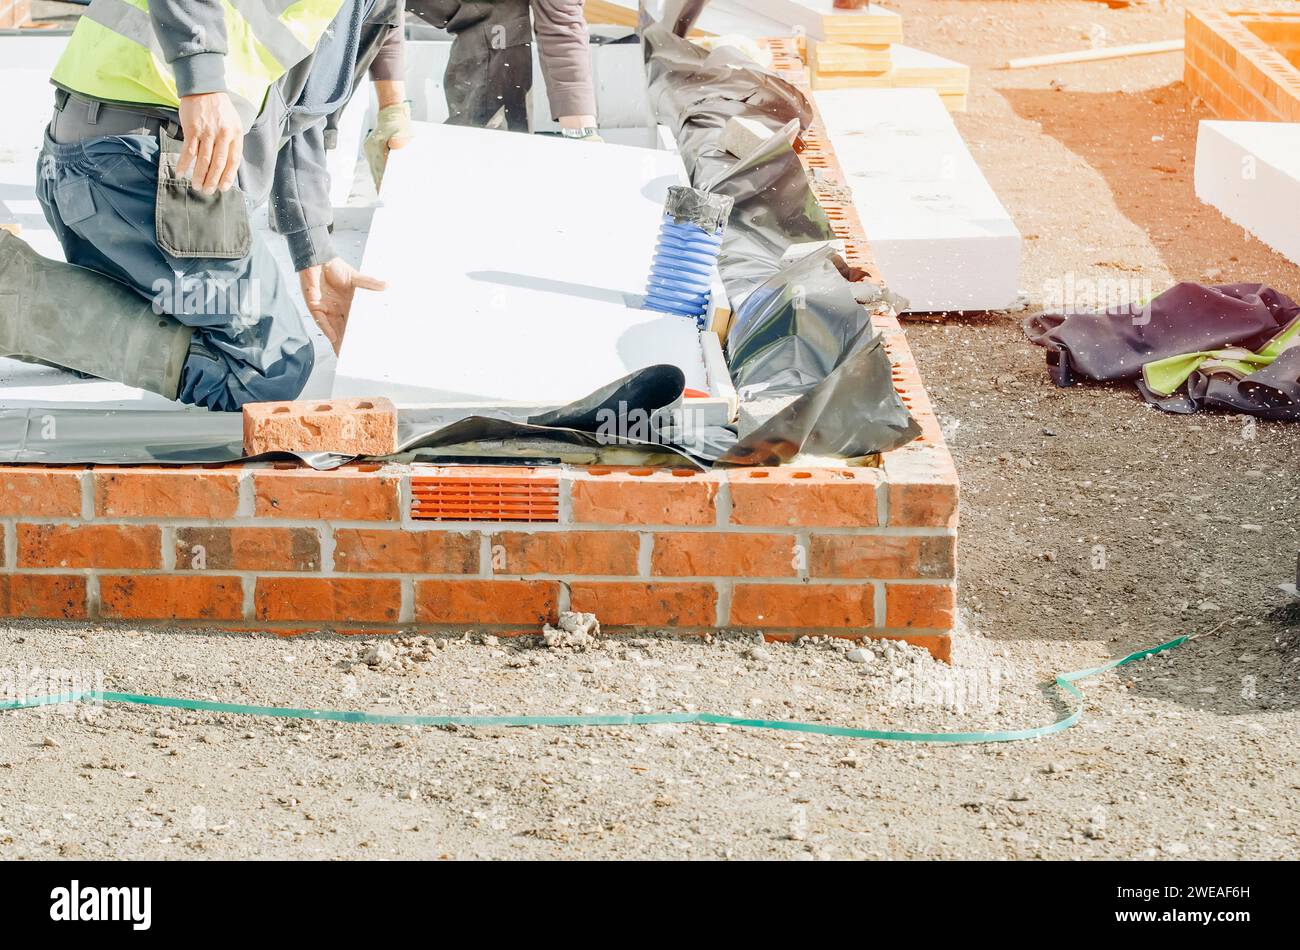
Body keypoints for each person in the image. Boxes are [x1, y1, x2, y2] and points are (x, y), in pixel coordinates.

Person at [0, 0, 404, 412]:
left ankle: (26, 301)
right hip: (152, 166)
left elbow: (304, 113)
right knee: (265, 370)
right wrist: (203, 82)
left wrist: (313, 248)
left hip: (89, 164)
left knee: (141, 327)